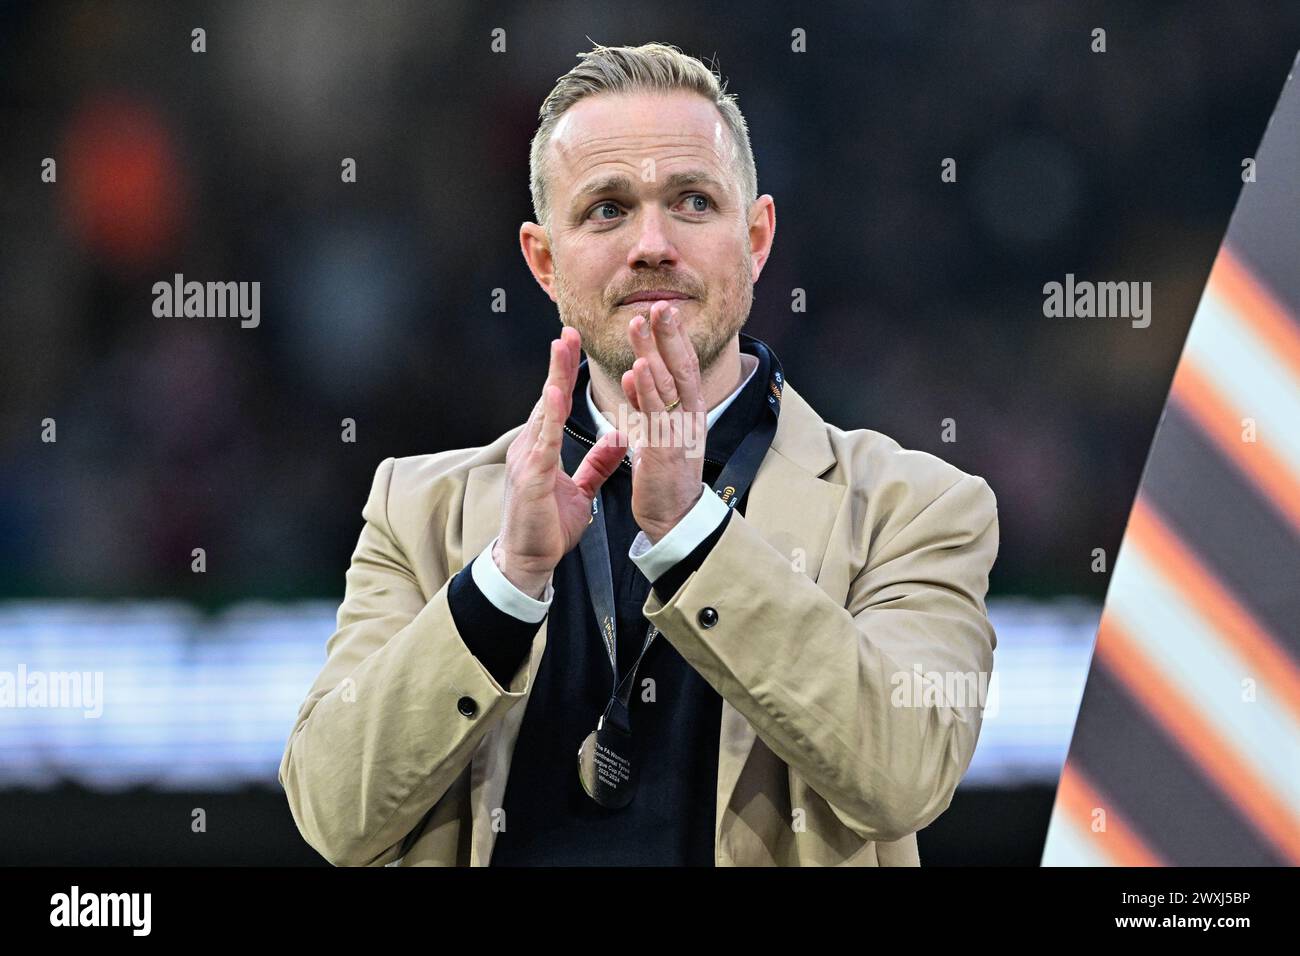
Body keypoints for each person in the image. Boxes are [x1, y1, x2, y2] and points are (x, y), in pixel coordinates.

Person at [279, 41, 999, 867]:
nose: (653, 243)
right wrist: (504, 583)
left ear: (756, 239)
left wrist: (694, 535)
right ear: (543, 261)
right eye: (608, 209)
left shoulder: (917, 506)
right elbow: (334, 814)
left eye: (693, 202)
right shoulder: (417, 509)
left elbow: (905, 773)